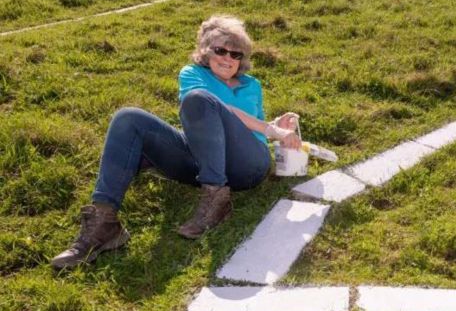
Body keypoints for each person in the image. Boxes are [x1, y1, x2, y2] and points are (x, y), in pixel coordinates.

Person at [50, 16, 302, 269]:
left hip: (247, 166)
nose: (228, 58)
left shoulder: (252, 85)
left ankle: (216, 199)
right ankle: (104, 222)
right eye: (220, 50)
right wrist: (271, 129)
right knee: (129, 117)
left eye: (235, 54)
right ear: (206, 51)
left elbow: (248, 125)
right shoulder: (192, 74)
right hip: (200, 159)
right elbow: (219, 107)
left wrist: (275, 125)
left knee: (201, 99)